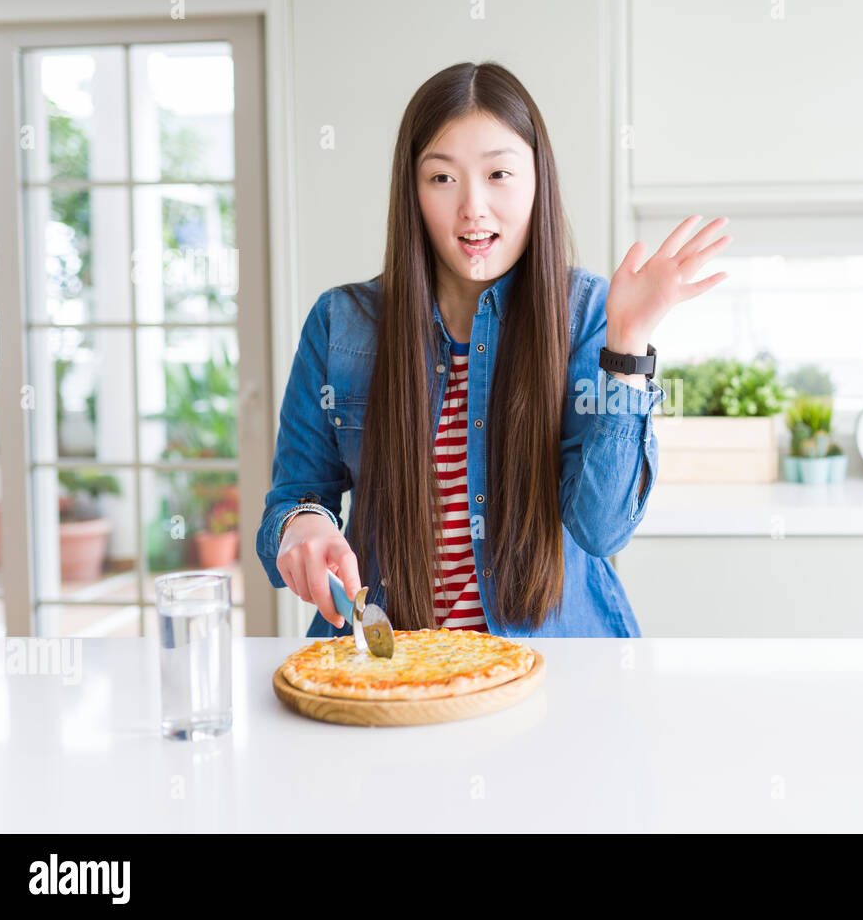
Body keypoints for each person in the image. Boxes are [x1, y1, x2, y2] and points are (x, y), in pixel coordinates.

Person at [255, 61, 730, 637]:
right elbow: (295, 496)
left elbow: (602, 529)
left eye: (499, 174)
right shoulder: (341, 324)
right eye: (442, 178)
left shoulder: (586, 316)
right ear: (412, 191)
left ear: (537, 181)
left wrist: (627, 345)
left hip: (554, 674)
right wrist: (304, 528)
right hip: (387, 673)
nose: (472, 207)